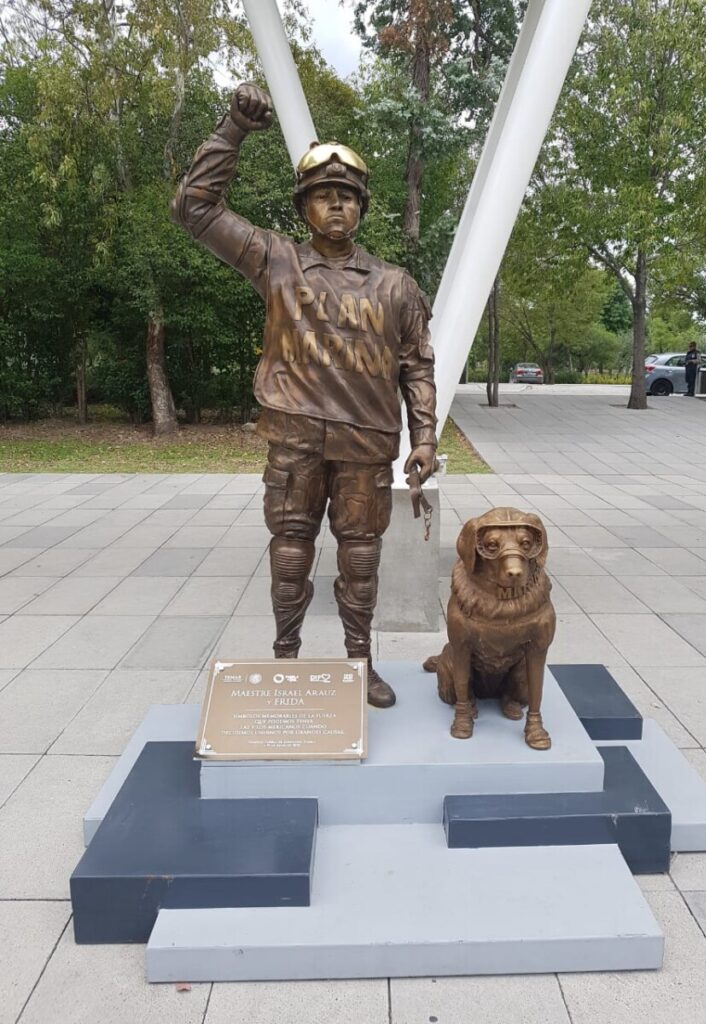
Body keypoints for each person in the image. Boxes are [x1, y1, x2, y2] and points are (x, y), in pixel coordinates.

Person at [171, 83, 438, 708]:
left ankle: (359, 664)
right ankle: (286, 659)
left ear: (362, 208)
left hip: (366, 444)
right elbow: (194, 209)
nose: (337, 206)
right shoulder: (276, 261)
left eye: (347, 196)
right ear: (305, 207)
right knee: (290, 556)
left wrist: (424, 437)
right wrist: (232, 128)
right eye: (324, 195)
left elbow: (417, 364)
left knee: (361, 562)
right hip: (293, 438)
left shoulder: (396, 285)